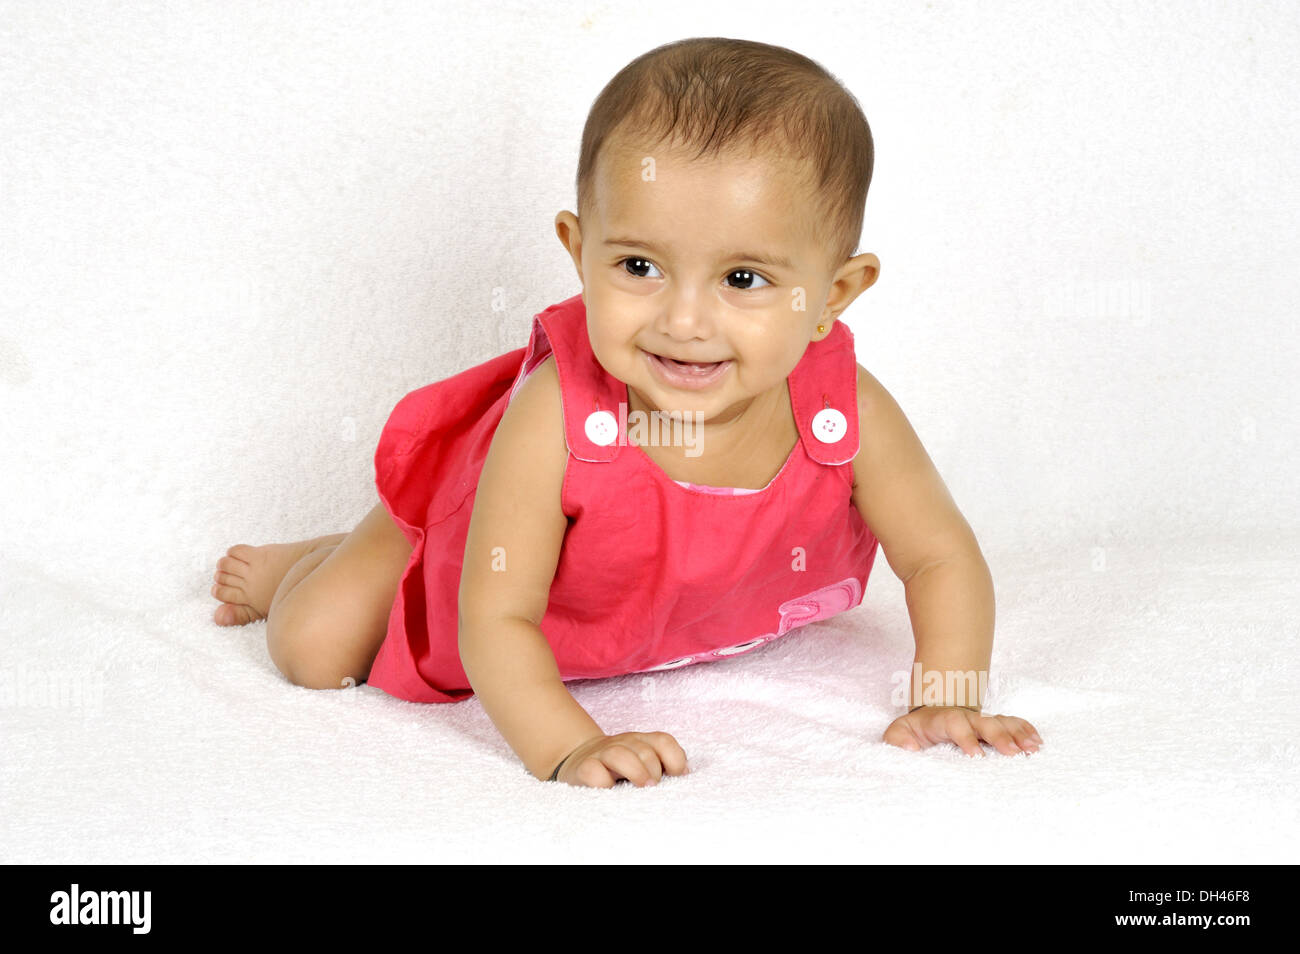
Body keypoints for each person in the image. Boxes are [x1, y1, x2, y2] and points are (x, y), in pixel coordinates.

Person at [210, 37, 1043, 788]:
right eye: (639, 264)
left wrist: (948, 695)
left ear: (832, 294)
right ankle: (363, 545)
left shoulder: (841, 412)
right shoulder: (558, 417)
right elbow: (495, 613)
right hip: (482, 564)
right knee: (315, 648)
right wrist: (567, 744)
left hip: (627, 608)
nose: (683, 321)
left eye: (742, 280)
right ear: (579, 251)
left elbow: (940, 557)